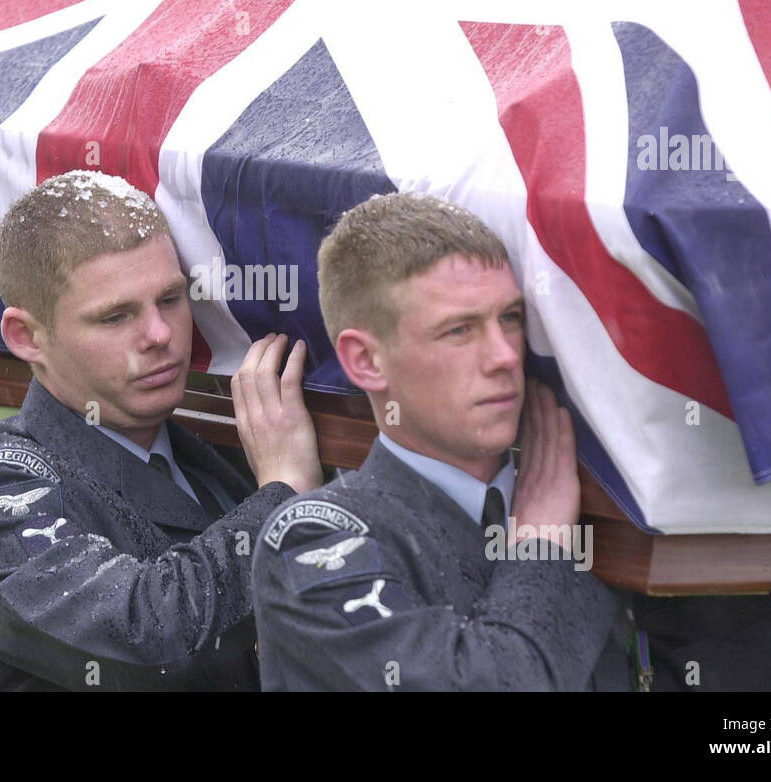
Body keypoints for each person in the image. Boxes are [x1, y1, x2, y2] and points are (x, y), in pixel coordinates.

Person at [0, 171, 322, 690]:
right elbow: (145, 635)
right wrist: (283, 497)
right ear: (27, 337)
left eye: (170, 299)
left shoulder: (217, 457)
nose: (159, 335)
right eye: (115, 317)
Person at [251, 192, 632, 691]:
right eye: (458, 330)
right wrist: (538, 547)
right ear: (366, 361)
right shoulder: (316, 539)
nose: (504, 356)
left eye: (510, 318)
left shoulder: (603, 506)